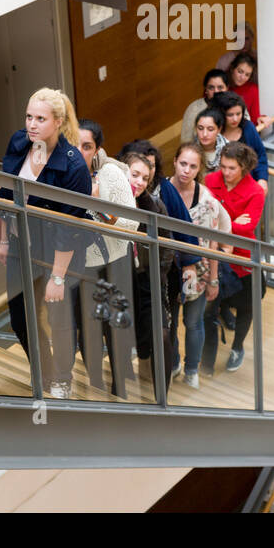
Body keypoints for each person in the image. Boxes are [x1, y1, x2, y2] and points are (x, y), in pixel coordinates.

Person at [0, 87, 93, 399]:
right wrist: (4, 238)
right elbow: (8, 193)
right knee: (20, 317)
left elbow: (69, 228)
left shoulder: (74, 164)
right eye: (28, 116)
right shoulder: (19, 142)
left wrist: (57, 276)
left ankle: (62, 378)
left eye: (40, 118)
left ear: (58, 121)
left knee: (60, 319)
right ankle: (46, 371)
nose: (32, 124)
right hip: (20, 244)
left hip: (57, 253)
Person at [122, 138, 200, 379]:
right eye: (138, 171)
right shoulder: (114, 192)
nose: (143, 177)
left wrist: (186, 264)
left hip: (157, 274)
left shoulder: (163, 193)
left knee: (165, 329)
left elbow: (182, 232)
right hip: (124, 276)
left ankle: (167, 370)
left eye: (151, 169)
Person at [76, 119, 141, 396]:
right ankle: (96, 385)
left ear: (97, 149)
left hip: (114, 262)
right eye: (74, 144)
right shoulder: (62, 175)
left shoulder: (110, 174)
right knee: (87, 329)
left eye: (86, 146)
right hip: (79, 266)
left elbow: (133, 224)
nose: (79, 151)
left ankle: (120, 387)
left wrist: (98, 205)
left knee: (115, 327)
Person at [168, 142, 230, 390]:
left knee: (193, 323)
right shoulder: (160, 192)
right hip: (168, 271)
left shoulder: (208, 202)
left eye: (193, 166)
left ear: (199, 169)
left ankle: (192, 368)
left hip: (199, 272)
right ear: (174, 161)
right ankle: (172, 364)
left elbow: (215, 241)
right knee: (169, 325)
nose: (186, 170)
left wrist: (214, 279)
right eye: (183, 163)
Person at [201, 142, 265, 375]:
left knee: (248, 304)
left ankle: (238, 347)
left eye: (232, 169)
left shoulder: (255, 192)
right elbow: (207, 217)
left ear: (244, 168)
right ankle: (207, 358)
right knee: (211, 306)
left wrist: (221, 222)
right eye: (223, 167)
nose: (225, 173)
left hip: (241, 259)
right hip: (215, 255)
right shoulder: (210, 181)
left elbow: (250, 227)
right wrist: (234, 223)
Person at [118, 147, 178, 392]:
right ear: (123, 172)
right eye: (135, 175)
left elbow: (167, 245)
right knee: (135, 338)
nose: (140, 182)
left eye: (145, 179)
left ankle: (162, 399)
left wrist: (159, 275)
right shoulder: (107, 199)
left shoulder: (154, 206)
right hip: (119, 280)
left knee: (162, 334)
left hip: (149, 280)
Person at [213, 92, 270, 194]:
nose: (235, 119)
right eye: (230, 115)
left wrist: (262, 179)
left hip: (248, 188)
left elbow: (260, 155)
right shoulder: (214, 132)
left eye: (238, 114)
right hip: (221, 191)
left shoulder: (248, 128)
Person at [180, 69, 228, 145]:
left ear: (227, 88)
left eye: (220, 87)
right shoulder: (194, 108)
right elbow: (186, 141)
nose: (216, 91)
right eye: (211, 88)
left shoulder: (234, 106)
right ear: (206, 90)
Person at [227, 52, 272, 130]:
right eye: (240, 71)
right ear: (232, 68)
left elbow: (254, 118)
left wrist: (261, 119)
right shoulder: (221, 84)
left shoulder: (253, 89)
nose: (242, 77)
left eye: (247, 74)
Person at [194, 106, 227, 172]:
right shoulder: (190, 151)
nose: (205, 134)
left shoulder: (229, 150)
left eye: (210, 129)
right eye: (200, 128)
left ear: (219, 129)